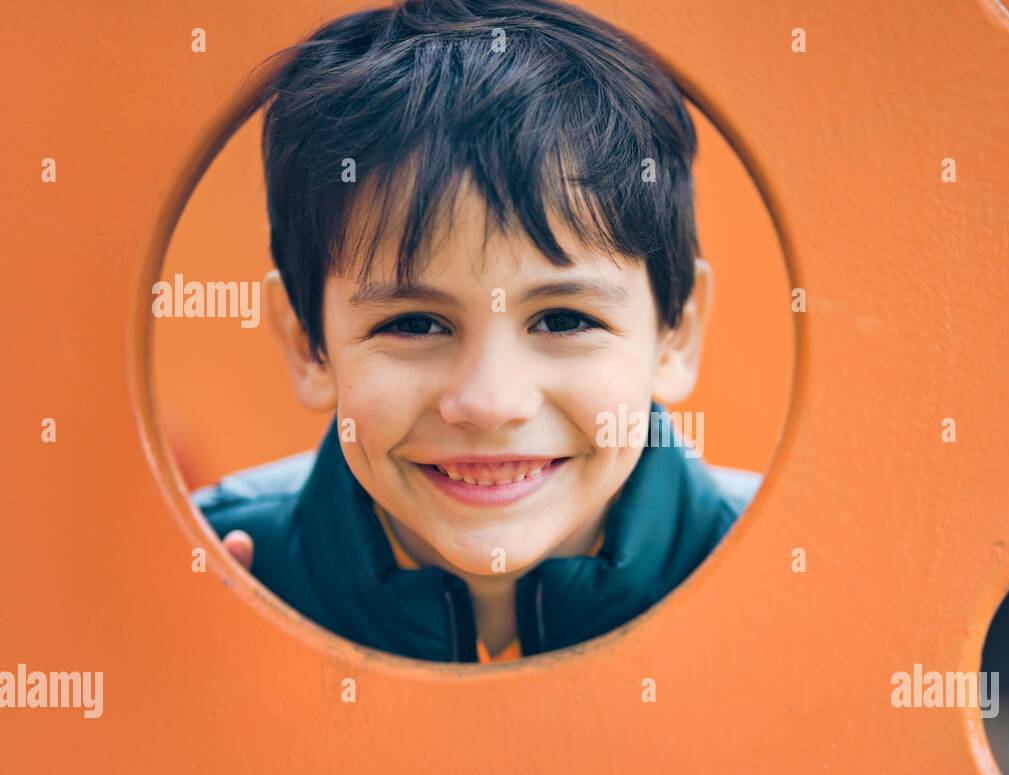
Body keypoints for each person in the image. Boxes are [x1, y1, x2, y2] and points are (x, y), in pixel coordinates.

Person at [194, 0, 760, 663]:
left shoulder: (785, 567)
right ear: (307, 344)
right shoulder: (210, 568)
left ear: (676, 335)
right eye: (414, 323)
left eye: (564, 319)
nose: (490, 402)